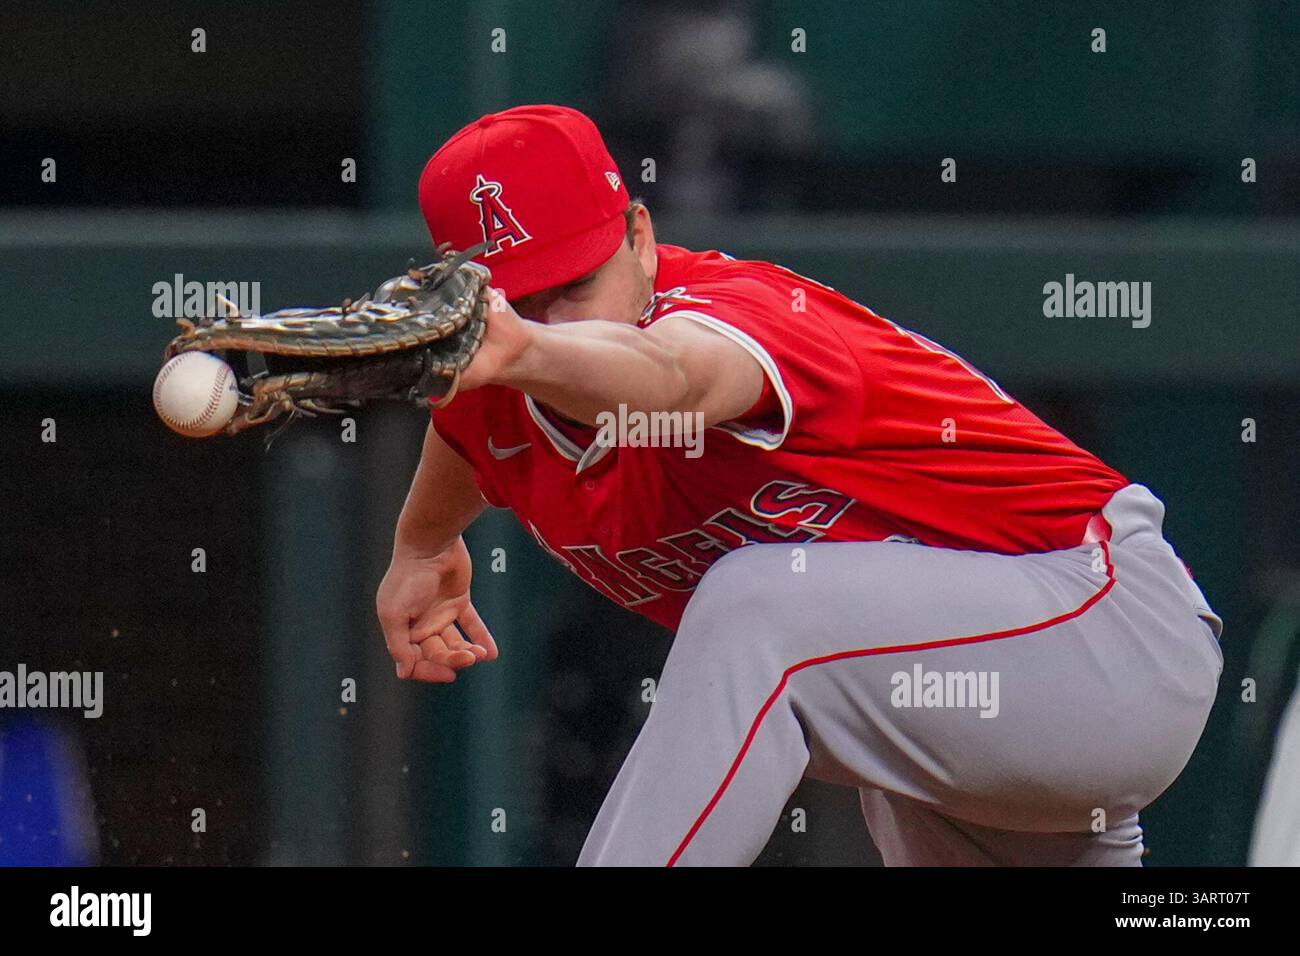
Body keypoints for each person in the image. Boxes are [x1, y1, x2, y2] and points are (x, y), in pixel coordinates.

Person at [376, 104, 1223, 866]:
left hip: (1107, 629)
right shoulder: (498, 394)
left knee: (759, 609)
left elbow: (676, 376)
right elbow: (470, 431)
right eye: (521, 305)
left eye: (574, 287)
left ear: (639, 235)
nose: (553, 323)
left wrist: (521, 348)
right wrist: (422, 541)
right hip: (972, 715)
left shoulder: (734, 315)